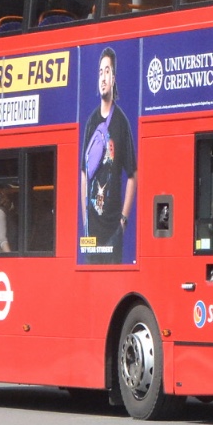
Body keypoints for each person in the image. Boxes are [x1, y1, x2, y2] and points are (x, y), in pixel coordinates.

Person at [80, 47, 137, 264]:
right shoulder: (91, 123)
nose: (102, 77)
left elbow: (133, 174)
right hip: (92, 231)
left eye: (107, 72)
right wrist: (85, 218)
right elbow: (84, 173)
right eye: (100, 72)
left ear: (113, 78)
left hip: (113, 230)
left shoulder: (121, 123)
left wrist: (123, 221)